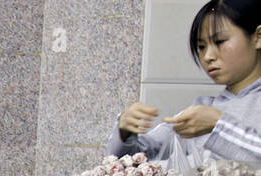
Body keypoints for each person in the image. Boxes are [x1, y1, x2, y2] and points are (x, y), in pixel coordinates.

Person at [111, 0, 261, 163]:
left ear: (258, 37)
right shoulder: (203, 109)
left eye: (219, 41)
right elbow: (141, 158)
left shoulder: (209, 115)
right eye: (201, 47)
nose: (208, 56)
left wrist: (218, 125)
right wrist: (125, 132)